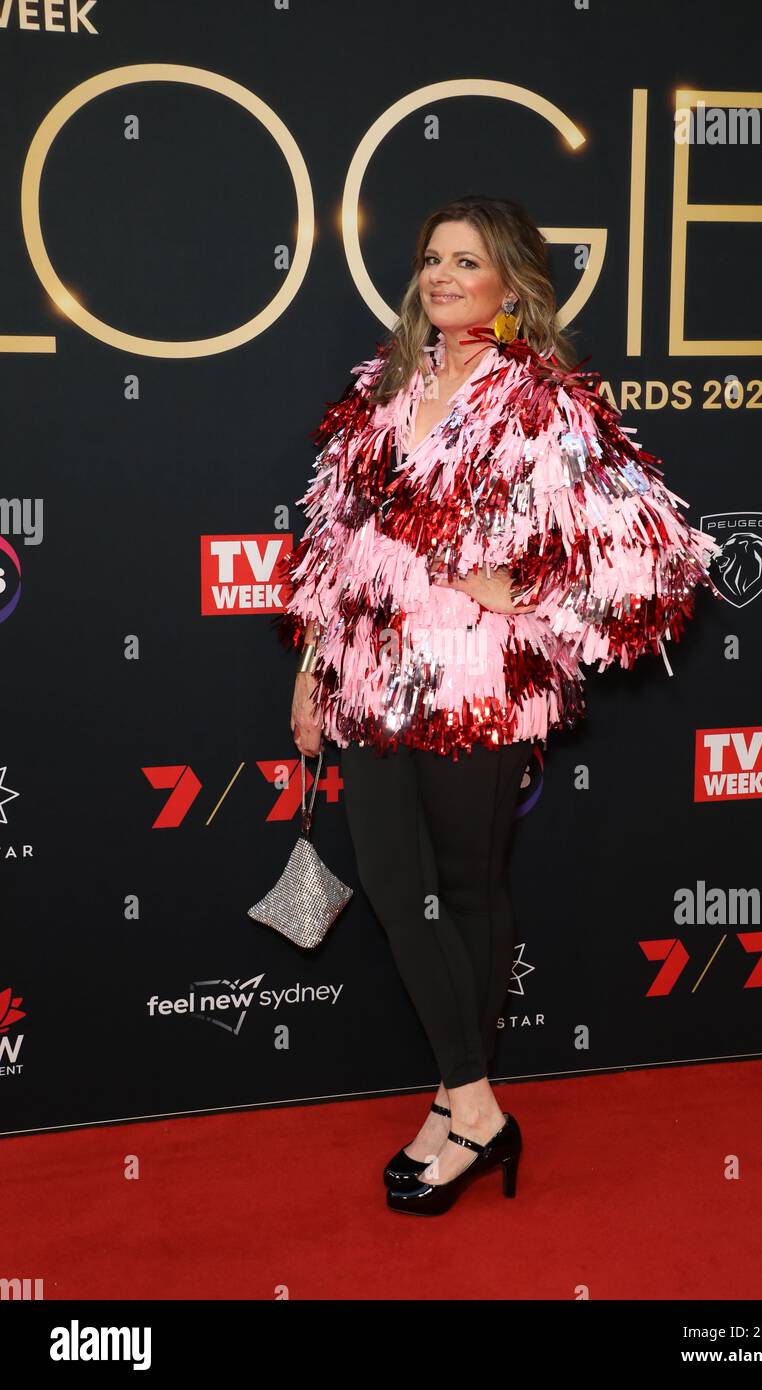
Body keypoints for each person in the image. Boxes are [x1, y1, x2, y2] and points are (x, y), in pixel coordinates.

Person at [274, 196, 723, 1215]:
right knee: (395, 882)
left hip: (476, 675)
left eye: (463, 261)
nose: (438, 275)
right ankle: (475, 1103)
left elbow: (657, 556)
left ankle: (454, 1105)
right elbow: (335, 537)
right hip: (370, 669)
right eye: (430, 258)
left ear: (509, 285)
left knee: (468, 891)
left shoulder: (542, 399)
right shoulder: (387, 386)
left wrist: (531, 592)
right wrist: (310, 660)